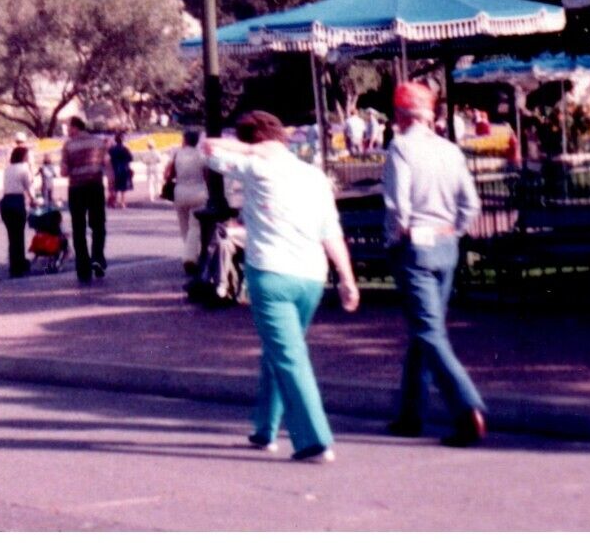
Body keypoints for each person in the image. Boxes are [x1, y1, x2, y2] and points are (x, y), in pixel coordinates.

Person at [203, 111, 360, 462]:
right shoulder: (314, 176)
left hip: (271, 274)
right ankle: (264, 428)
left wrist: (252, 152)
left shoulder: (255, 168)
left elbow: (208, 148)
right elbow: (330, 231)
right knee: (282, 350)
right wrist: (347, 277)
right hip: (312, 277)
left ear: (249, 142)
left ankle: (313, 438)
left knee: (289, 356)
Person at [383, 81, 488, 447]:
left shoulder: (400, 147)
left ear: (399, 116)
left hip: (414, 246)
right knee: (424, 329)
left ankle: (466, 407)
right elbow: (470, 203)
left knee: (428, 332)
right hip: (446, 243)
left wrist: (399, 238)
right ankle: (411, 413)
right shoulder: (450, 150)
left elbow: (398, 205)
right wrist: (454, 230)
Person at [61, 116, 110, 283]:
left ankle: (83, 268)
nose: (67, 131)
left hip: (76, 188)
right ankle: (98, 259)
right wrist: (111, 187)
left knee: (78, 228)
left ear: (75, 127)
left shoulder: (68, 145)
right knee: (98, 225)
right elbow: (106, 164)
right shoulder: (98, 143)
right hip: (95, 186)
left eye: (68, 127)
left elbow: (63, 172)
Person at [170, 129, 210, 273]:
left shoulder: (177, 154)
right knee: (195, 227)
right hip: (198, 191)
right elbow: (207, 176)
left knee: (184, 226)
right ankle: (190, 256)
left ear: (185, 139)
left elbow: (168, 173)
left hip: (180, 191)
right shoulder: (201, 155)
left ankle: (189, 253)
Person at [0, 144, 36, 278]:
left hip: (6, 201)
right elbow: (28, 186)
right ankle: (19, 264)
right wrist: (33, 200)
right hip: (17, 200)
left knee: (12, 236)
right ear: (24, 156)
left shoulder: (7, 169)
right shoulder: (24, 169)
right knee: (19, 235)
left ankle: (14, 264)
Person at [107, 133, 134, 209]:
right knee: (123, 187)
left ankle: (114, 202)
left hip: (114, 168)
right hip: (124, 169)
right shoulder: (125, 149)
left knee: (115, 187)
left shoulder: (112, 149)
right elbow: (130, 158)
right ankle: (123, 203)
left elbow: (108, 158)